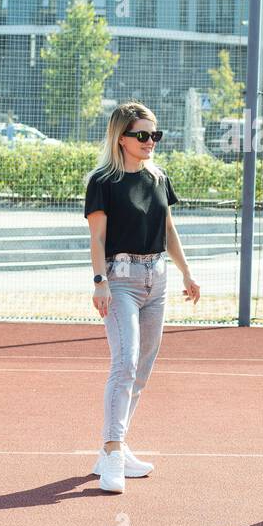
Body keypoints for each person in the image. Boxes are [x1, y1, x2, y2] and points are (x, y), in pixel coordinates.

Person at [85, 102, 201, 494]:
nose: (151, 141)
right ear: (122, 138)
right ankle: (112, 452)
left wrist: (186, 271)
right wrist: (100, 281)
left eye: (155, 135)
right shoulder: (103, 181)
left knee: (143, 369)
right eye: (143, 135)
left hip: (158, 279)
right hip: (121, 280)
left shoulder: (157, 177)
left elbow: (169, 228)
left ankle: (115, 446)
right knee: (125, 361)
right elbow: (97, 237)